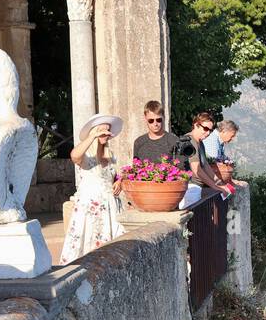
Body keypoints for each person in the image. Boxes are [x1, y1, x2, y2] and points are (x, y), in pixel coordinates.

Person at [60, 113, 124, 264]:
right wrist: (93, 136)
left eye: (108, 130)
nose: (106, 133)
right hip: (89, 207)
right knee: (85, 243)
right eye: (102, 129)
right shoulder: (86, 155)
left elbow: (115, 177)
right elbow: (74, 156)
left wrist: (119, 182)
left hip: (110, 208)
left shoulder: (111, 156)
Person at [177, 113, 228, 206]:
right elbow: (197, 170)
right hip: (190, 189)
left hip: (195, 188)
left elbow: (205, 165)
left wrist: (218, 181)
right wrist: (215, 186)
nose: (208, 133)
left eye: (210, 130)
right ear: (196, 125)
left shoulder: (199, 142)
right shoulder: (190, 142)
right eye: (205, 129)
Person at [132, 100, 179, 166]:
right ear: (145, 119)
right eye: (151, 120)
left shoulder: (173, 140)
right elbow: (136, 169)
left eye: (158, 120)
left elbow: (182, 169)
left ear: (163, 117)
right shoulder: (139, 142)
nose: (155, 124)